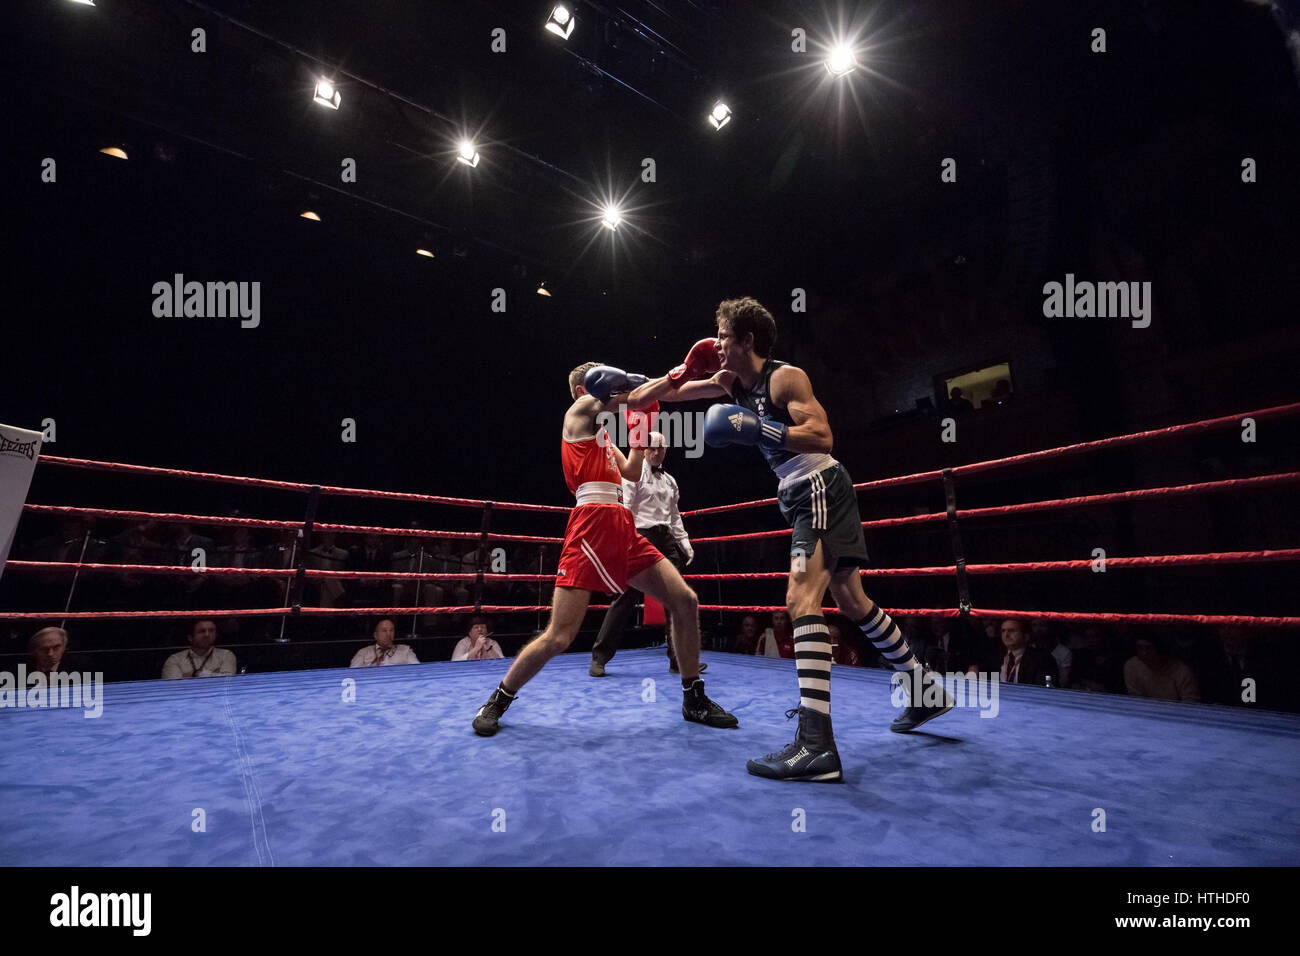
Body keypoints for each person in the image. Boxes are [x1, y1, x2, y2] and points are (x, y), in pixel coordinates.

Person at [631, 299, 952, 782]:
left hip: (818, 484)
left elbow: (822, 436)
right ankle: (923, 688)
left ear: (747, 340)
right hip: (800, 492)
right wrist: (676, 375)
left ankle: (816, 746)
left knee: (801, 600)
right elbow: (645, 402)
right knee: (853, 599)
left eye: (722, 336)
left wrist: (759, 427)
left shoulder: (786, 378)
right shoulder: (726, 381)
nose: (716, 344)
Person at [468, 362, 736, 736]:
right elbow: (643, 393)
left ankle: (694, 697)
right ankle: (499, 698)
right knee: (559, 636)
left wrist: (708, 387)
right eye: (608, 387)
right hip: (590, 525)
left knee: (685, 600)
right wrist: (686, 371)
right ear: (585, 390)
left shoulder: (605, 438)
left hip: (623, 526)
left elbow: (629, 471)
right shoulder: (578, 413)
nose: (615, 392)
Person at [589, 431, 702, 677]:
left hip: (666, 540)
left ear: (666, 450)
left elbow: (674, 517)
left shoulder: (671, 481)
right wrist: (623, 542)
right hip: (639, 535)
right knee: (625, 596)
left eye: (660, 448)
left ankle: (679, 660)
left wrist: (685, 543)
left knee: (678, 597)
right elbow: (625, 510)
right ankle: (599, 657)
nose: (655, 452)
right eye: (651, 448)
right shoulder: (633, 475)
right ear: (643, 449)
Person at [162, 618, 237, 679]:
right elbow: (173, 688)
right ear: (190, 637)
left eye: (211, 631)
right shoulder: (174, 660)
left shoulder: (226, 655)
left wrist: (195, 674)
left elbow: (227, 682)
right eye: (202, 631)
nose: (207, 635)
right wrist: (214, 674)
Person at [999, 618, 1058, 686]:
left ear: (1026, 636)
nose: (1006, 635)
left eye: (1012, 631)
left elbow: (1043, 690)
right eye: (1003, 631)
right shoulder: (994, 656)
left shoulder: (1041, 659)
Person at [350, 617, 420, 667]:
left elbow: (418, 671)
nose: (388, 634)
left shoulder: (406, 651)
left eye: (391, 630)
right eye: (384, 631)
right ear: (375, 635)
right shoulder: (363, 653)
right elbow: (352, 675)